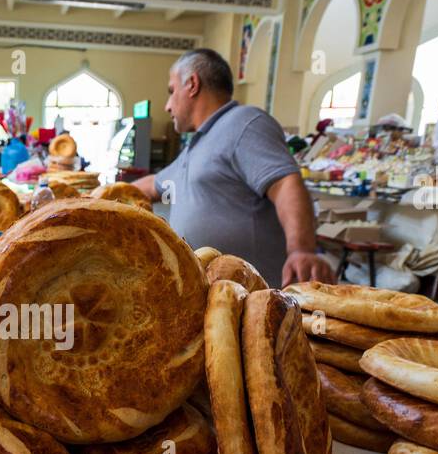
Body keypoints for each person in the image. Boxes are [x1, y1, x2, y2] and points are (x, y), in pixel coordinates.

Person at [131, 49, 334, 287]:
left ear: (192, 84)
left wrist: (301, 249)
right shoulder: (196, 145)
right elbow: (154, 184)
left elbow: (285, 183)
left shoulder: (244, 123)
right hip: (210, 294)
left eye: (171, 91)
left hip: (254, 300)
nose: (167, 106)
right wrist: (93, 197)